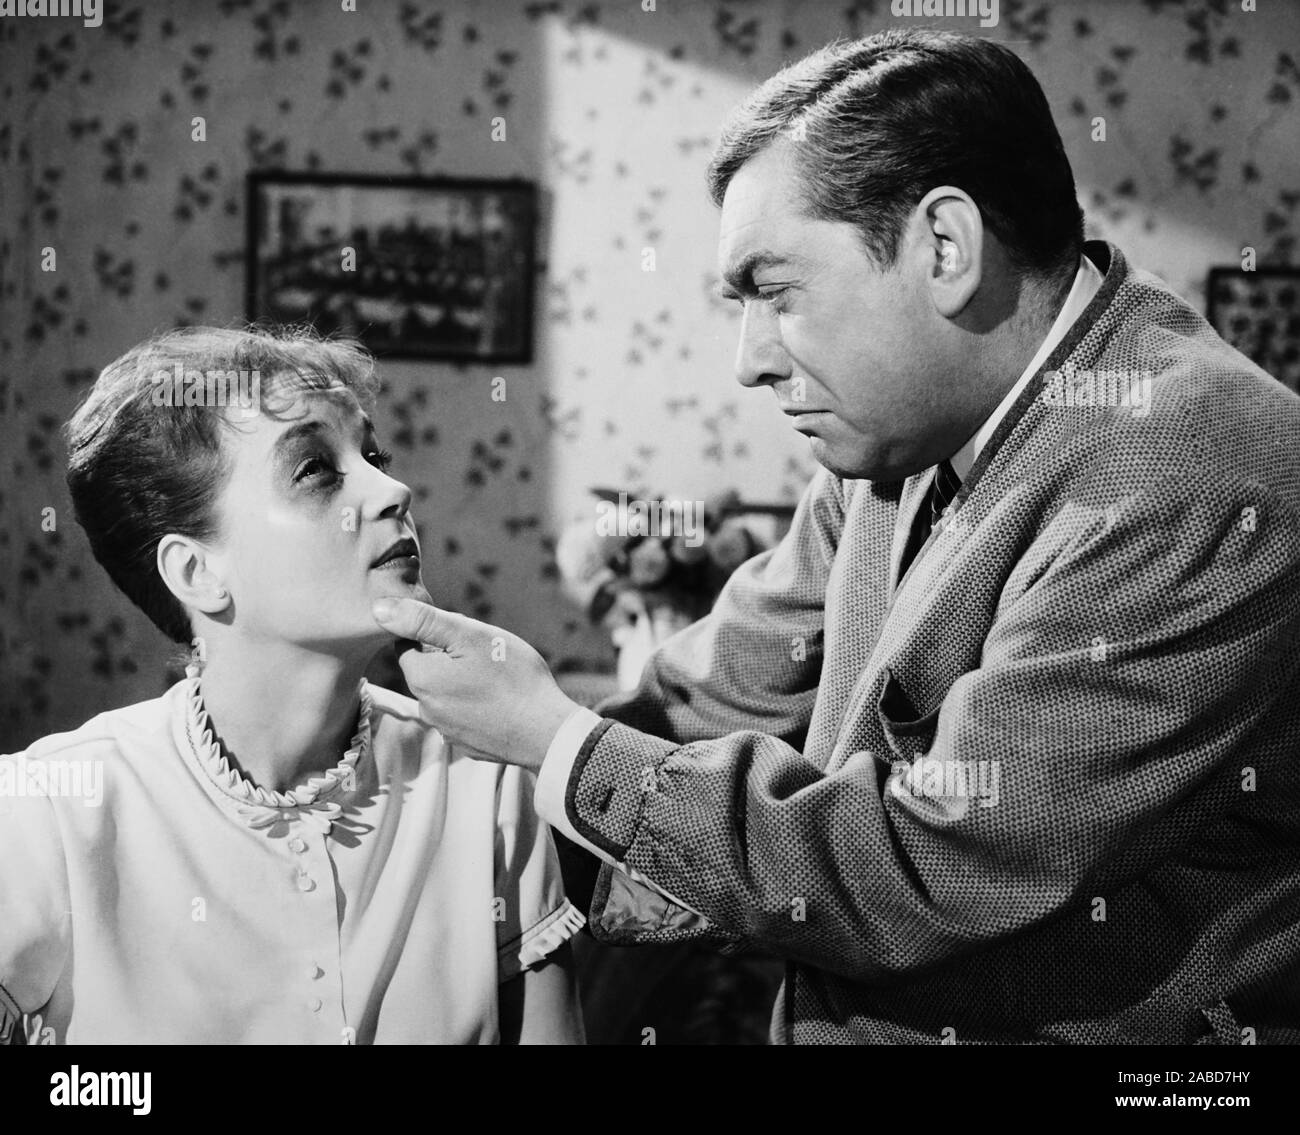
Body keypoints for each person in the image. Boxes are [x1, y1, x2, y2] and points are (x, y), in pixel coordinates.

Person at [372, 29, 1300, 1045]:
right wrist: (465, 762)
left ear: (943, 246)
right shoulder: (903, 431)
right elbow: (726, 685)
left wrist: (560, 744)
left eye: (775, 292)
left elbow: (927, 867)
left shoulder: (1184, 469)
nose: (748, 361)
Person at [0, 326, 585, 1045]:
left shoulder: (483, 781)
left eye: (372, 454)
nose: (393, 488)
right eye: (316, 469)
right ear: (196, 573)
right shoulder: (48, 811)